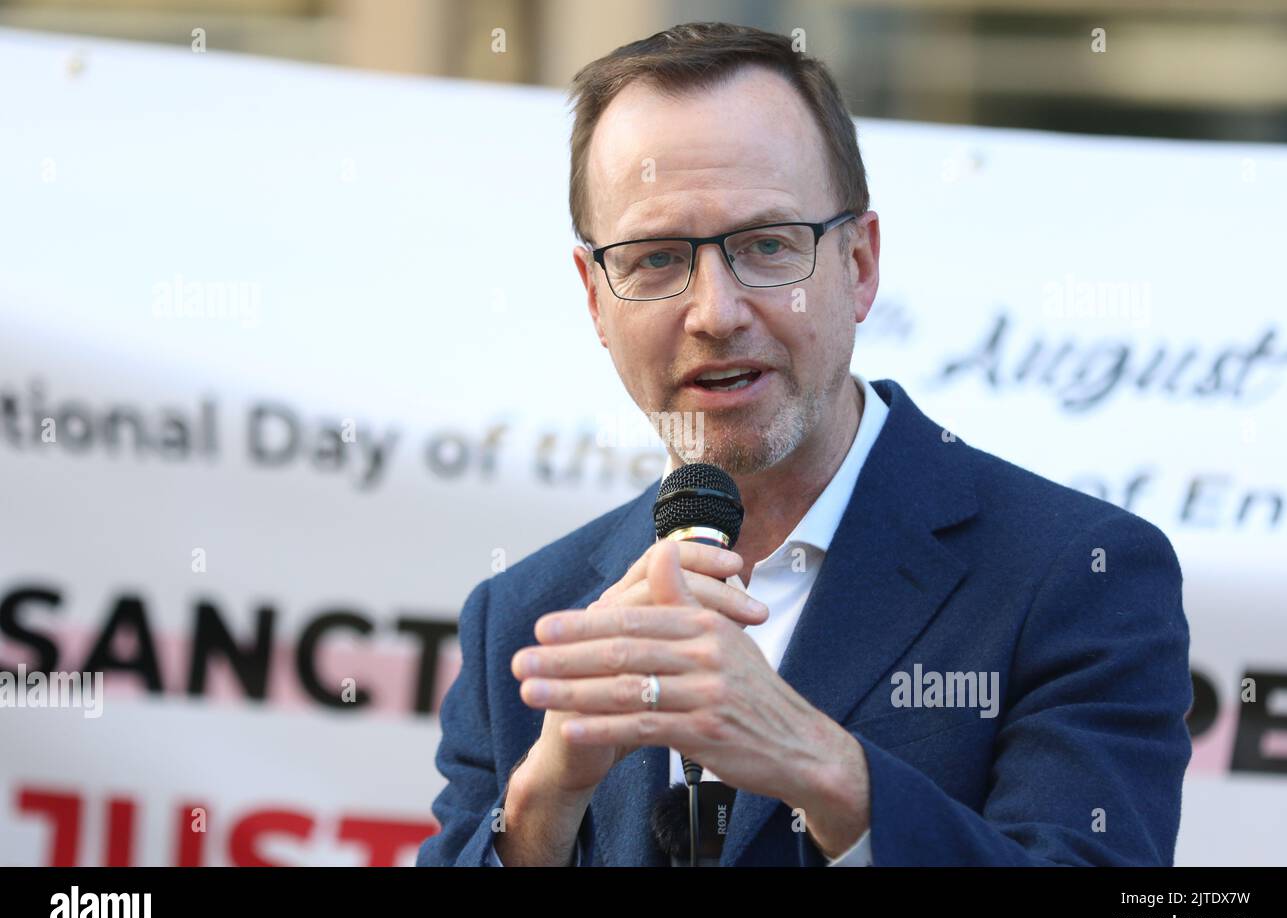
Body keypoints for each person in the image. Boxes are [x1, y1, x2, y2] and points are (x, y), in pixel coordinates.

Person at [416, 21, 1192, 867]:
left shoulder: (1079, 575)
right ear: (596, 300)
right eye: (655, 259)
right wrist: (542, 802)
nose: (715, 313)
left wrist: (819, 767)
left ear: (859, 265)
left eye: (767, 247)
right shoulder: (526, 622)